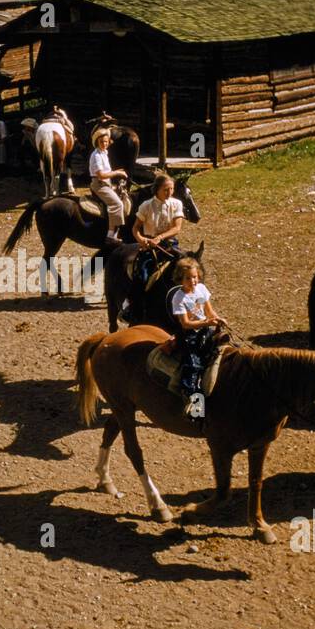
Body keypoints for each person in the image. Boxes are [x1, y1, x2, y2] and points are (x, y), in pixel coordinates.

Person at [125, 174, 185, 322]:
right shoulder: (146, 206)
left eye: (171, 189)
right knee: (142, 276)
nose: (169, 192)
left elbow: (177, 228)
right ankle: (132, 309)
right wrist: (141, 239)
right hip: (150, 246)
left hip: (170, 245)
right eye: (166, 189)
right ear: (157, 189)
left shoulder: (176, 204)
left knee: (188, 269)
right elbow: (135, 228)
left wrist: (160, 237)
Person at [168, 257, 220, 419]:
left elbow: (209, 311)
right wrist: (206, 322)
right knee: (193, 367)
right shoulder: (179, 297)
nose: (193, 281)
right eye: (188, 278)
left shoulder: (202, 289)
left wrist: (218, 320)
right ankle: (194, 407)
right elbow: (186, 324)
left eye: (195, 277)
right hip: (188, 336)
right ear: (180, 279)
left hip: (205, 331)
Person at [89, 127, 128, 246]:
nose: (104, 144)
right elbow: (101, 175)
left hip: (107, 183)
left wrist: (117, 172)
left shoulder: (104, 153)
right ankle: (110, 235)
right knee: (117, 204)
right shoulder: (96, 155)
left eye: (106, 141)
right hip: (99, 184)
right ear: (97, 142)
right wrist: (117, 173)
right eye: (101, 142)